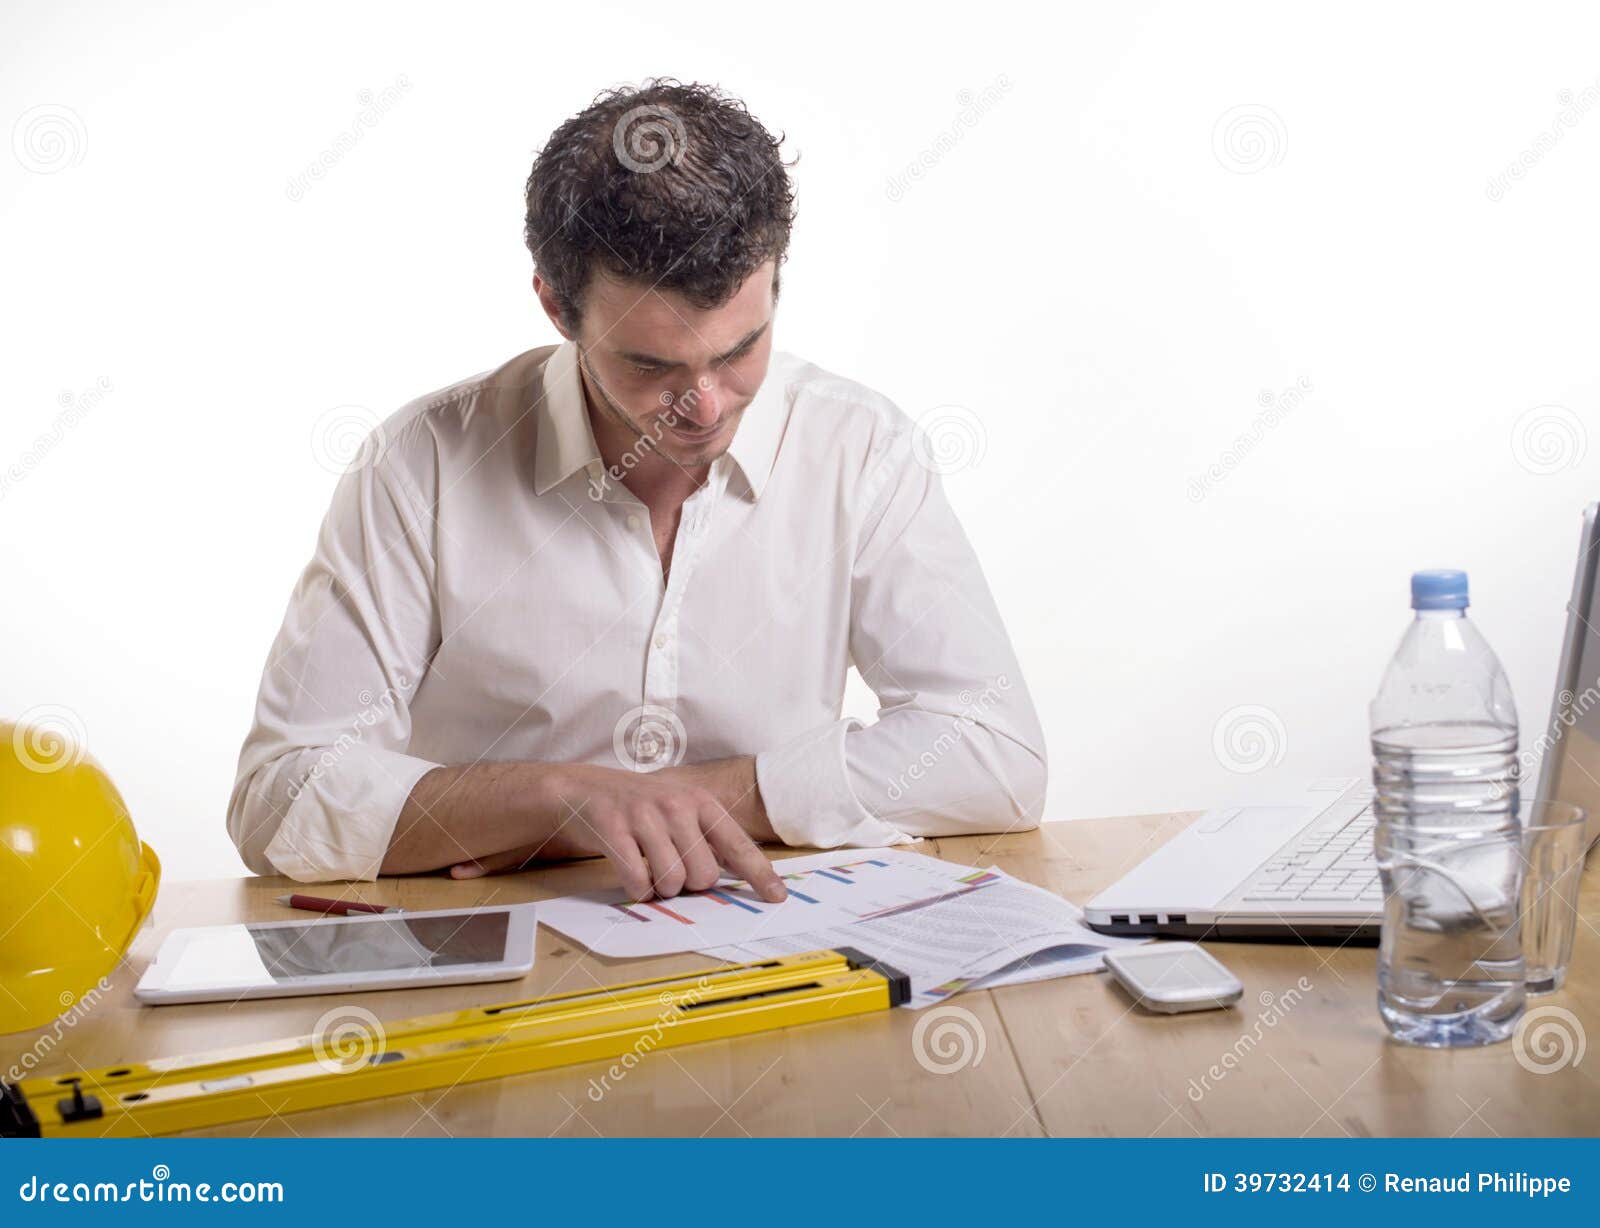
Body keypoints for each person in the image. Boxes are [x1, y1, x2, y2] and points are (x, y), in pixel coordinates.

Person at [227, 79, 1046, 904]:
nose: (706, 406)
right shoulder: (423, 463)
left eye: (741, 350)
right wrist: (557, 796)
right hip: (505, 947)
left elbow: (996, 753)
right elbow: (279, 799)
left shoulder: (860, 449)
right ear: (556, 307)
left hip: (771, 941)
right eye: (652, 365)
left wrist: (670, 803)